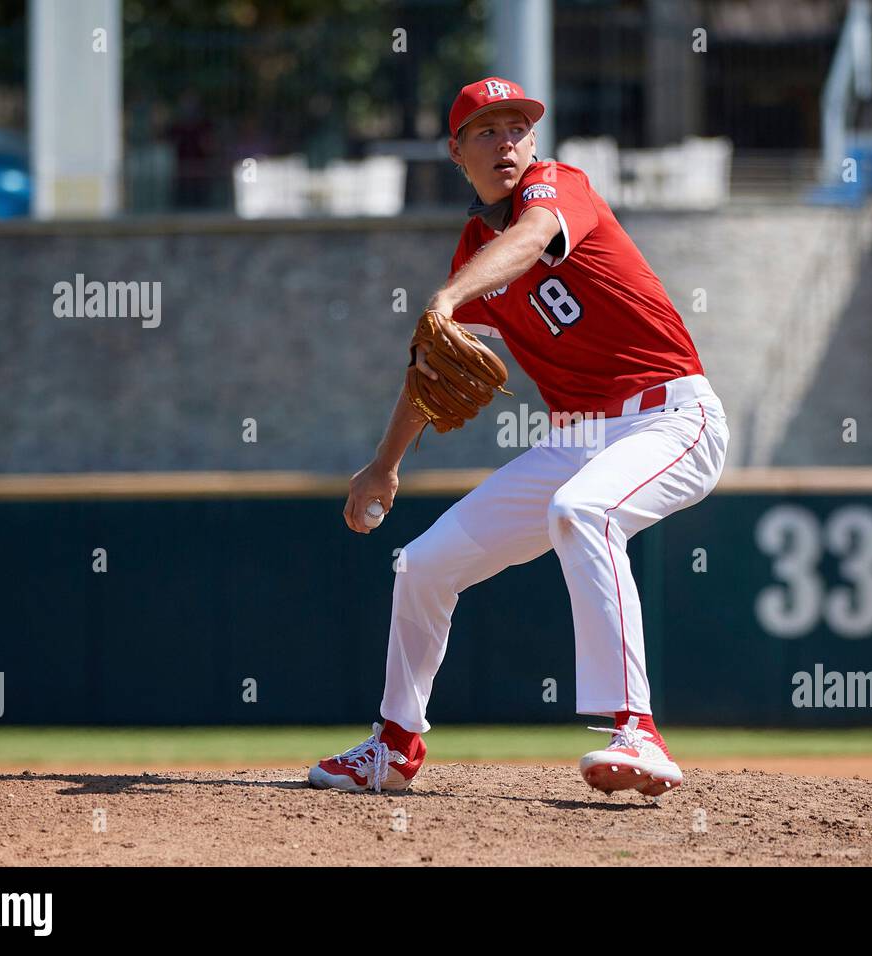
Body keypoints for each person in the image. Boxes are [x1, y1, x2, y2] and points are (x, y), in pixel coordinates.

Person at [308, 77, 729, 797]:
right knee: (425, 565)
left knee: (583, 512)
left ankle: (638, 729)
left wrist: (447, 298)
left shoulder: (558, 186)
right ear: (456, 152)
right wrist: (384, 464)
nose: (506, 141)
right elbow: (432, 366)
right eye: (486, 130)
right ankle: (395, 744)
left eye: (517, 128)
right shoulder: (474, 245)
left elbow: (534, 240)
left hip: (672, 417)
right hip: (577, 438)